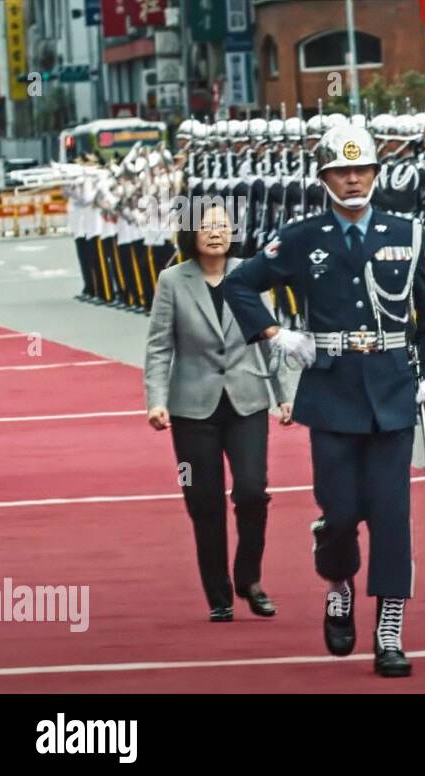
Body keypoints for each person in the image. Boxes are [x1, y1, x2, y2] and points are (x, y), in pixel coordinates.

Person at [224, 125, 425, 677]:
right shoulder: (303, 236)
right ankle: (339, 583)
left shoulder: (408, 232)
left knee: (393, 516)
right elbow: (239, 285)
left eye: (361, 169)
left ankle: (389, 630)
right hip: (332, 392)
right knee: (341, 512)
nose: (352, 179)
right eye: (340, 171)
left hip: (394, 392)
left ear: (375, 173)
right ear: (324, 178)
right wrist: (278, 337)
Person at [144, 202, 292, 622]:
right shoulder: (172, 280)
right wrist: (155, 399)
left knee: (251, 490)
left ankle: (249, 578)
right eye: (207, 226)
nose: (216, 233)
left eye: (223, 226)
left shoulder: (251, 272)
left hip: (248, 400)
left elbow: (270, 336)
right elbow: (159, 346)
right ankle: (219, 595)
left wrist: (285, 393)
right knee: (202, 500)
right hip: (192, 409)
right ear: (191, 233)